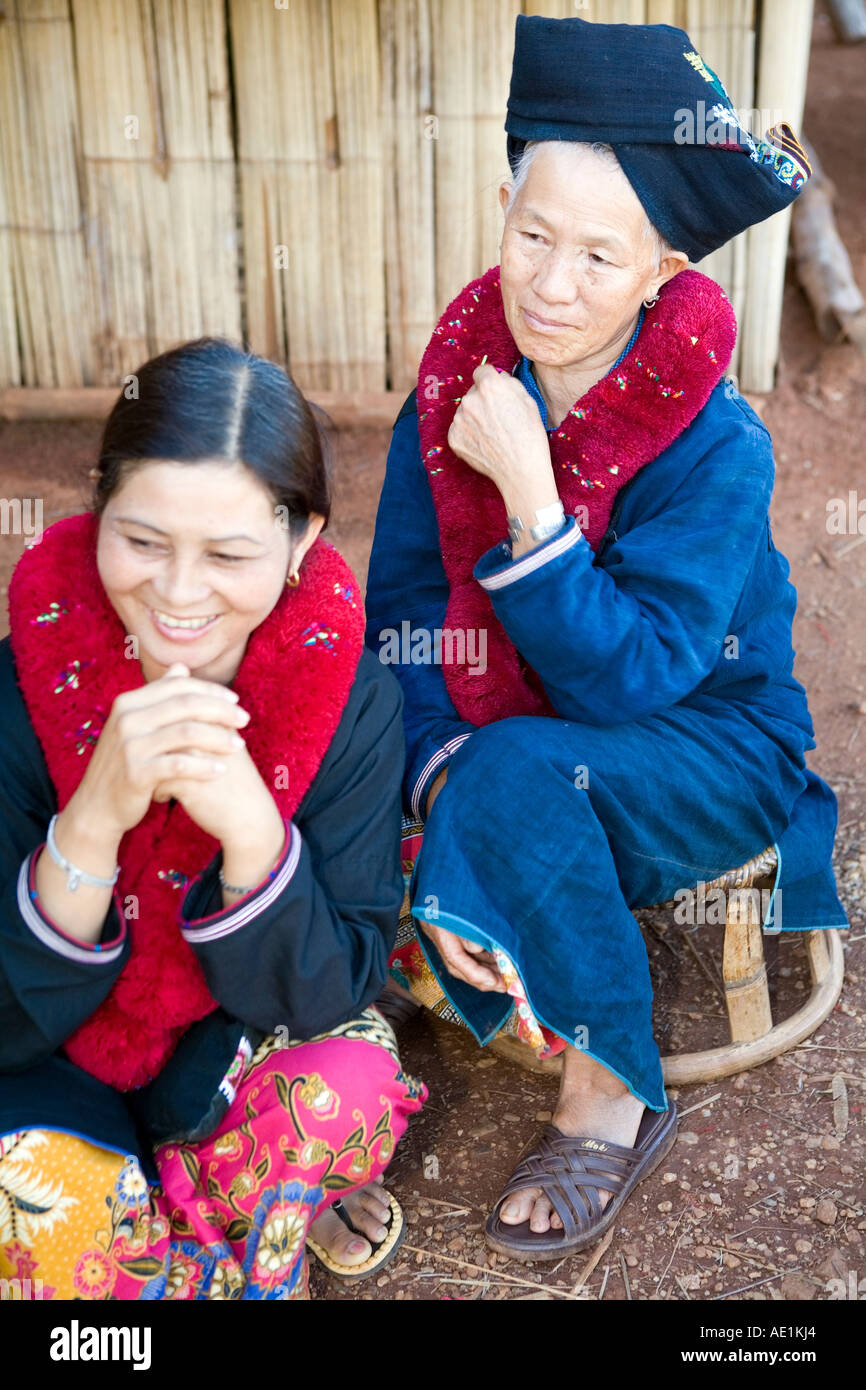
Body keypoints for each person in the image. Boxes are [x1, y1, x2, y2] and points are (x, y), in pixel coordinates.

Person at [365, 14, 848, 1261]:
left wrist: (532, 507)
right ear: (502, 210)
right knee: (340, 721)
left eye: (596, 255)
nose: (548, 282)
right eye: (530, 234)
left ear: (662, 269)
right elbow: (408, 609)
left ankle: (607, 1092)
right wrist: (427, 759)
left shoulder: (717, 444)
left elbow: (633, 676)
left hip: (705, 738)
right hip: (508, 721)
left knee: (522, 774)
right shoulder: (464, 376)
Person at [0, 338, 425, 1300]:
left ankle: (179, 1212)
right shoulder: (24, 682)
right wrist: (92, 824)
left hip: (216, 1055)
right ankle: (198, 1239)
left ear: (302, 541)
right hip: (37, 1071)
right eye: (143, 541)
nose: (179, 594)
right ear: (98, 504)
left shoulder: (346, 699)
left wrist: (255, 839)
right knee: (40, 1206)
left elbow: (337, 983)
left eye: (230, 554)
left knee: (348, 1085)